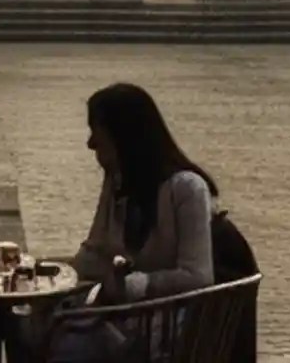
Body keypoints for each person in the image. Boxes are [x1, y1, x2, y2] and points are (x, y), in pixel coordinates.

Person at [45, 83, 220, 362]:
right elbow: (96, 251)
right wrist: (46, 273)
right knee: (31, 325)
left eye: (97, 132)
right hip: (121, 317)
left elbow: (198, 275)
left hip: (164, 325)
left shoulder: (186, 189)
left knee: (67, 349)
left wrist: (134, 285)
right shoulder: (118, 181)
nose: (90, 143)